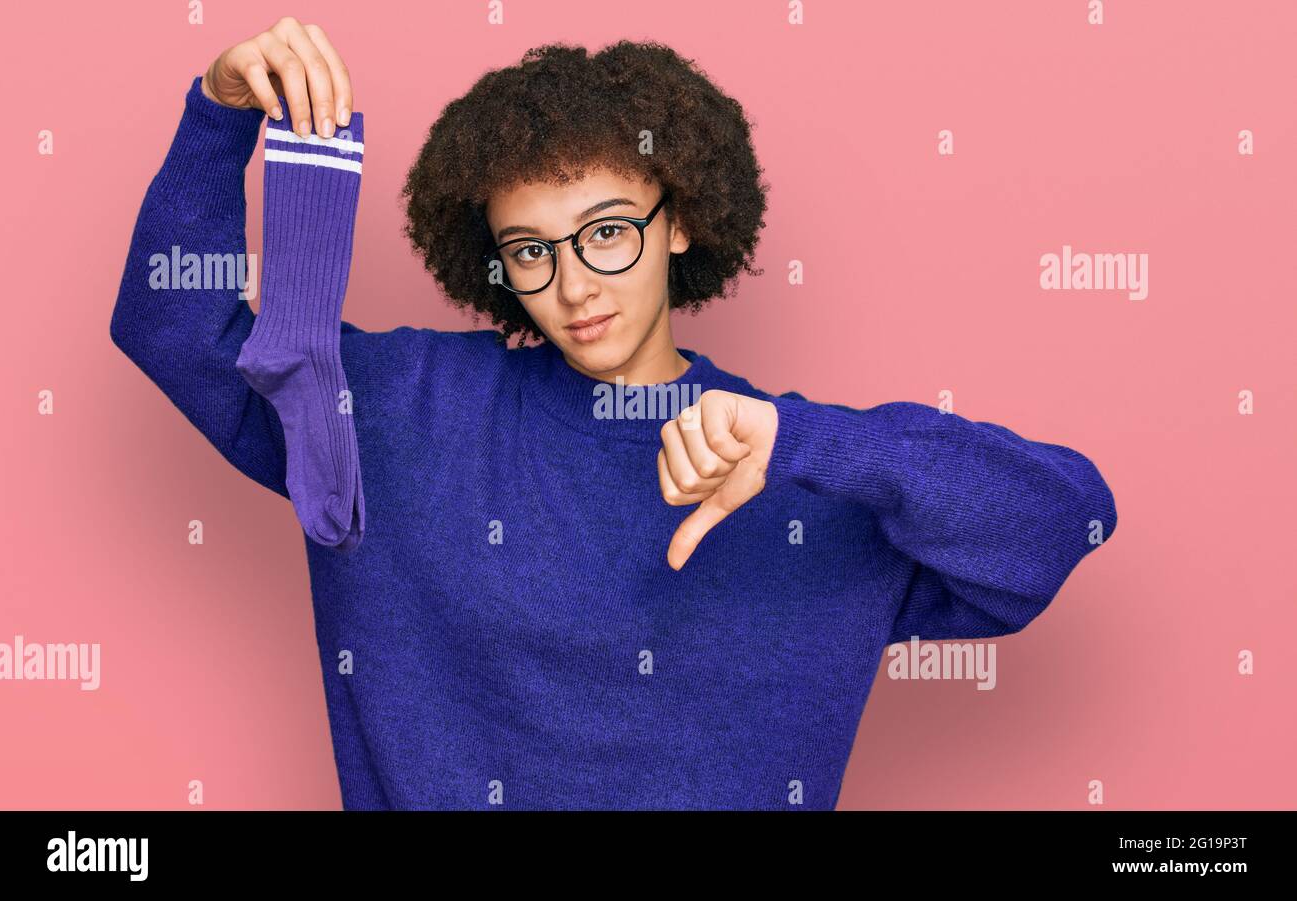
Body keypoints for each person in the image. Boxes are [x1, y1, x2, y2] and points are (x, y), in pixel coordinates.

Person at [110, 17, 1118, 810]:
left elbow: (1062, 518)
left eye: (606, 232)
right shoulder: (393, 416)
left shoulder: (804, 477)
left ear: (679, 220)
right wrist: (217, 112)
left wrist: (808, 442)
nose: (572, 284)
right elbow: (169, 322)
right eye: (530, 250)